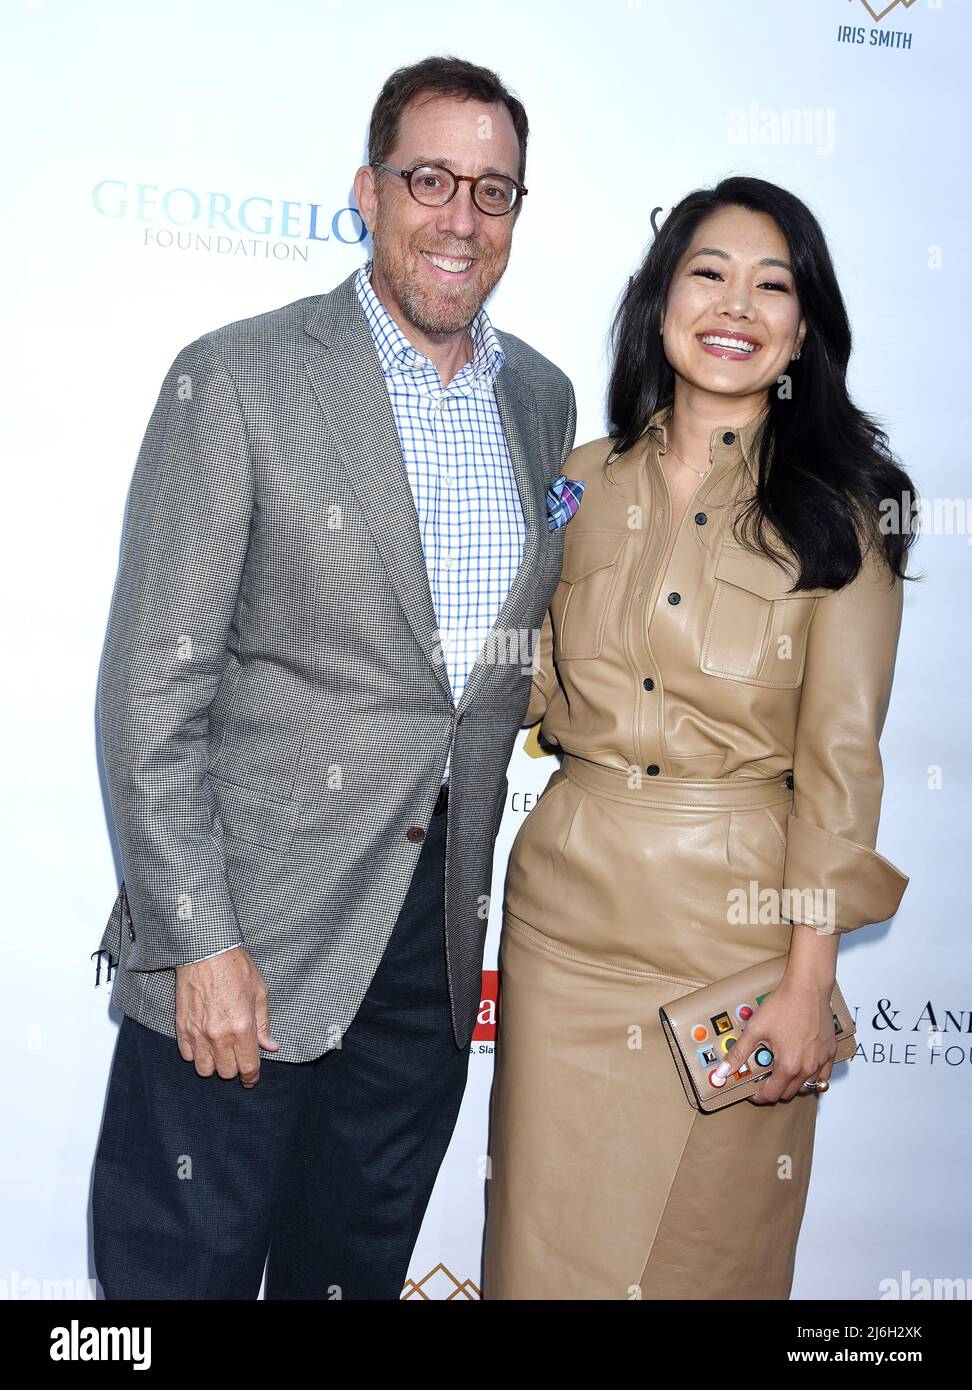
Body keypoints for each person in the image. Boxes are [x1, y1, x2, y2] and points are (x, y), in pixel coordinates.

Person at [92, 54, 575, 1301]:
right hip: (246, 952)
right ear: (366, 190)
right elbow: (152, 692)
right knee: (178, 1286)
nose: (459, 218)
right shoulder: (240, 376)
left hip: (422, 970)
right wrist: (199, 942)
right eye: (429, 179)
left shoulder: (540, 399)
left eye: (494, 191)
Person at [483, 176, 915, 1300]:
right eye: (708, 272)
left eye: (773, 284)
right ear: (660, 300)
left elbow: (841, 767)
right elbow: (518, 687)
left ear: (803, 328)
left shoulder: (842, 508)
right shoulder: (577, 480)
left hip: (740, 950)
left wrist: (807, 981)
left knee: (706, 1264)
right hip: (562, 933)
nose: (736, 303)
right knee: (539, 1259)